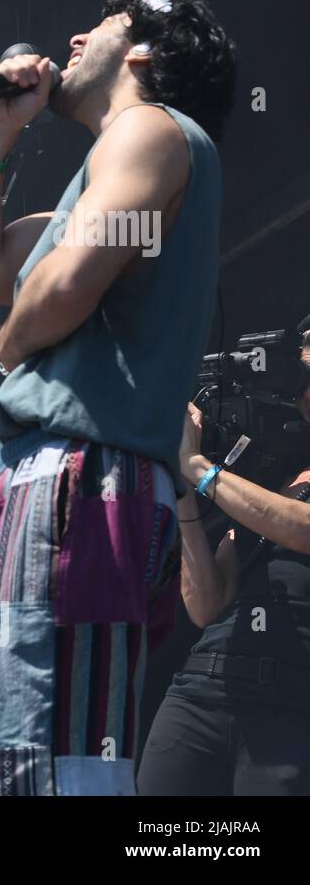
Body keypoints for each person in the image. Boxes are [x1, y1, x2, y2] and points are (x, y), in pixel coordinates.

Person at [0, 0, 237, 795]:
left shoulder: (152, 129)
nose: (73, 38)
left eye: (100, 25)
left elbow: (64, 285)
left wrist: (10, 346)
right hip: (61, 478)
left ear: (141, 52)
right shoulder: (107, 173)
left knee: (49, 759)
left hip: (77, 477)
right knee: (45, 752)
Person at [137, 330, 310, 795]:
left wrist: (198, 468)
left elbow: (301, 528)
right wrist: (182, 489)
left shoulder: (278, 502)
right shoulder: (273, 479)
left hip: (290, 709)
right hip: (201, 691)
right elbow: (206, 605)